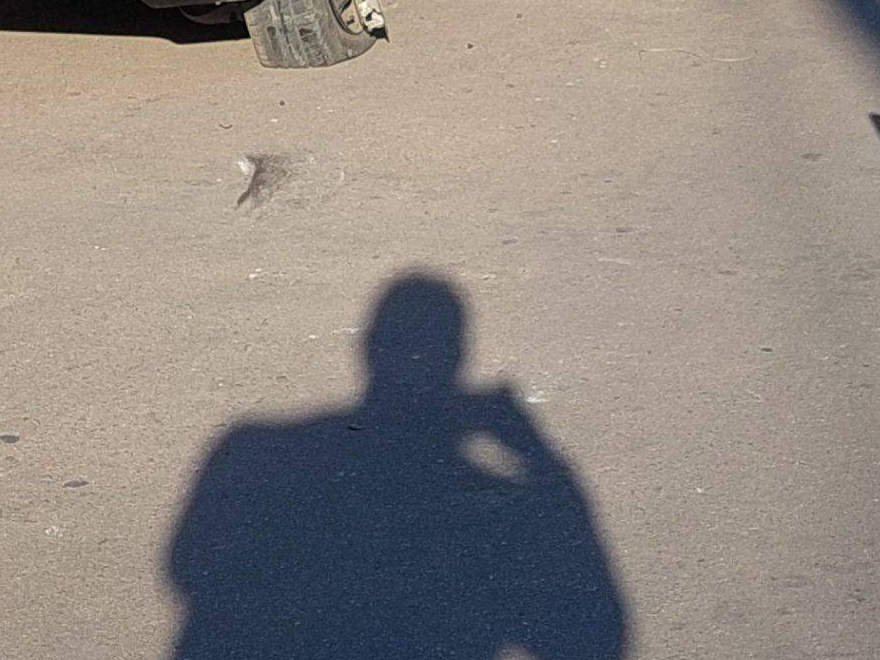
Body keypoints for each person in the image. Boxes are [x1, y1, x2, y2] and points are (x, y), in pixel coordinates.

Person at [165, 274, 629, 660]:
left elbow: (188, 567)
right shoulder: (490, 512)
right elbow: (592, 639)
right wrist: (540, 457)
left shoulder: (259, 451)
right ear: (457, 365)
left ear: (368, 351)